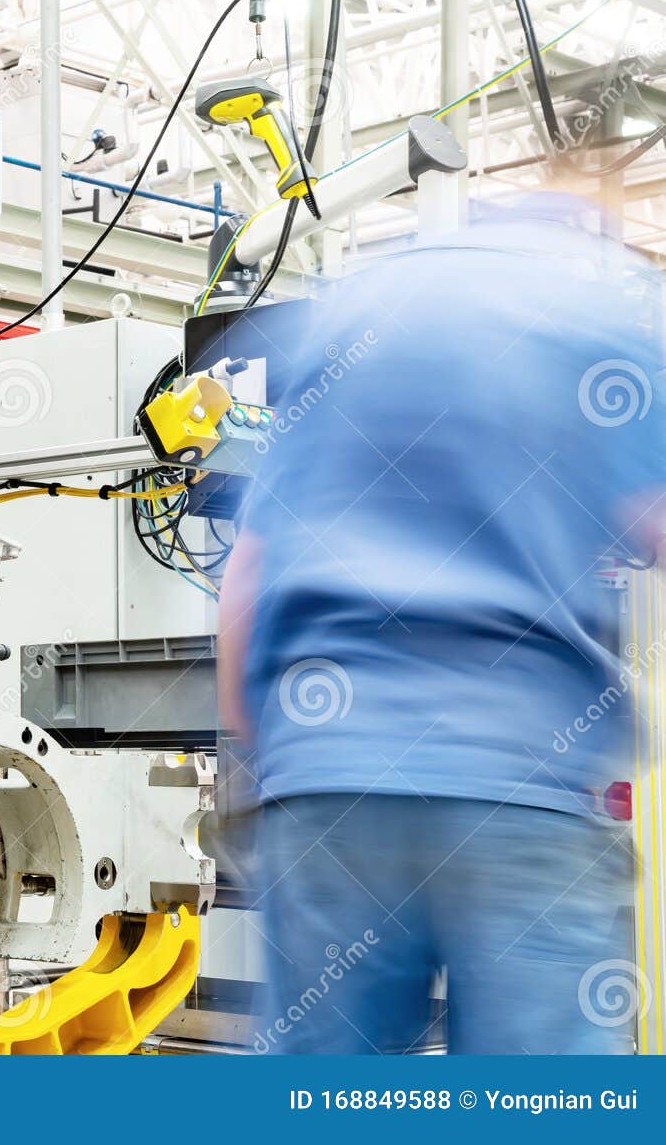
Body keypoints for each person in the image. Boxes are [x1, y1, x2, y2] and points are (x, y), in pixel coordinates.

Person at [217, 188, 665, 1054]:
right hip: (519, 784)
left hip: (328, 785)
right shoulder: (593, 316)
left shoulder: (348, 311)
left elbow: (250, 570)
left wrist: (267, 753)